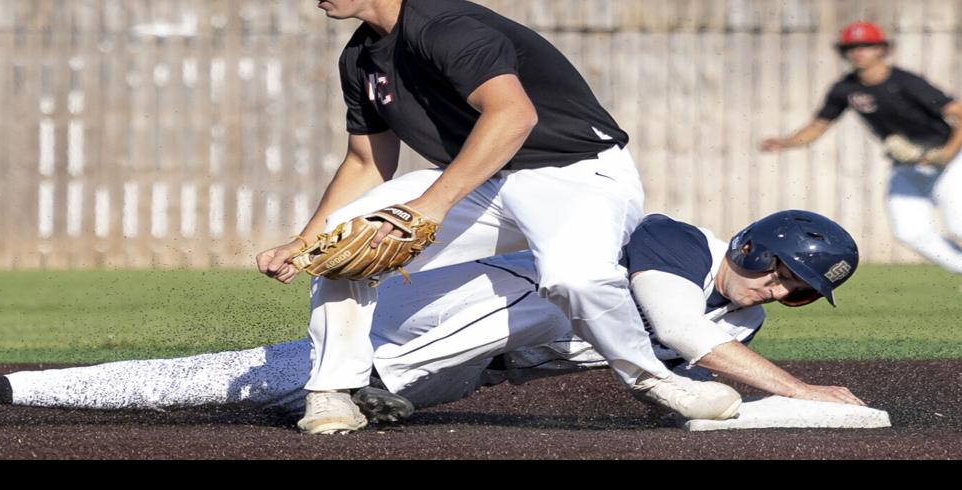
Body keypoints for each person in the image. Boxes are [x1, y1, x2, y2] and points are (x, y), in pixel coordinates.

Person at [253, 0, 737, 434]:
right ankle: (333, 390)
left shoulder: (447, 26)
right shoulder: (360, 58)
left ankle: (653, 380)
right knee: (346, 240)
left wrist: (432, 205)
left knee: (573, 278)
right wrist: (305, 240)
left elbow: (512, 116)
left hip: (573, 173)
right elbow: (365, 161)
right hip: (483, 176)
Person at [0, 211, 865, 427]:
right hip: (455, 303)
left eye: (798, 294)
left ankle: (2, 387)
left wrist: (781, 403)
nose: (780, 293)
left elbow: (697, 389)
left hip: (461, 363)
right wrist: (800, 392)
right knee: (317, 369)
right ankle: (361, 387)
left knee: (264, 371)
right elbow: (673, 325)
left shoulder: (741, 337)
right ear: (754, 246)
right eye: (783, 273)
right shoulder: (675, 240)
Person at [760, 21, 962, 293]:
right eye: (852, 47)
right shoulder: (845, 88)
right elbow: (818, 126)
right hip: (906, 166)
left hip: (949, 160)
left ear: (882, 49)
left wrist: (945, 154)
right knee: (909, 232)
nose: (858, 52)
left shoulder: (906, 82)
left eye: (866, 45)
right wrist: (784, 142)